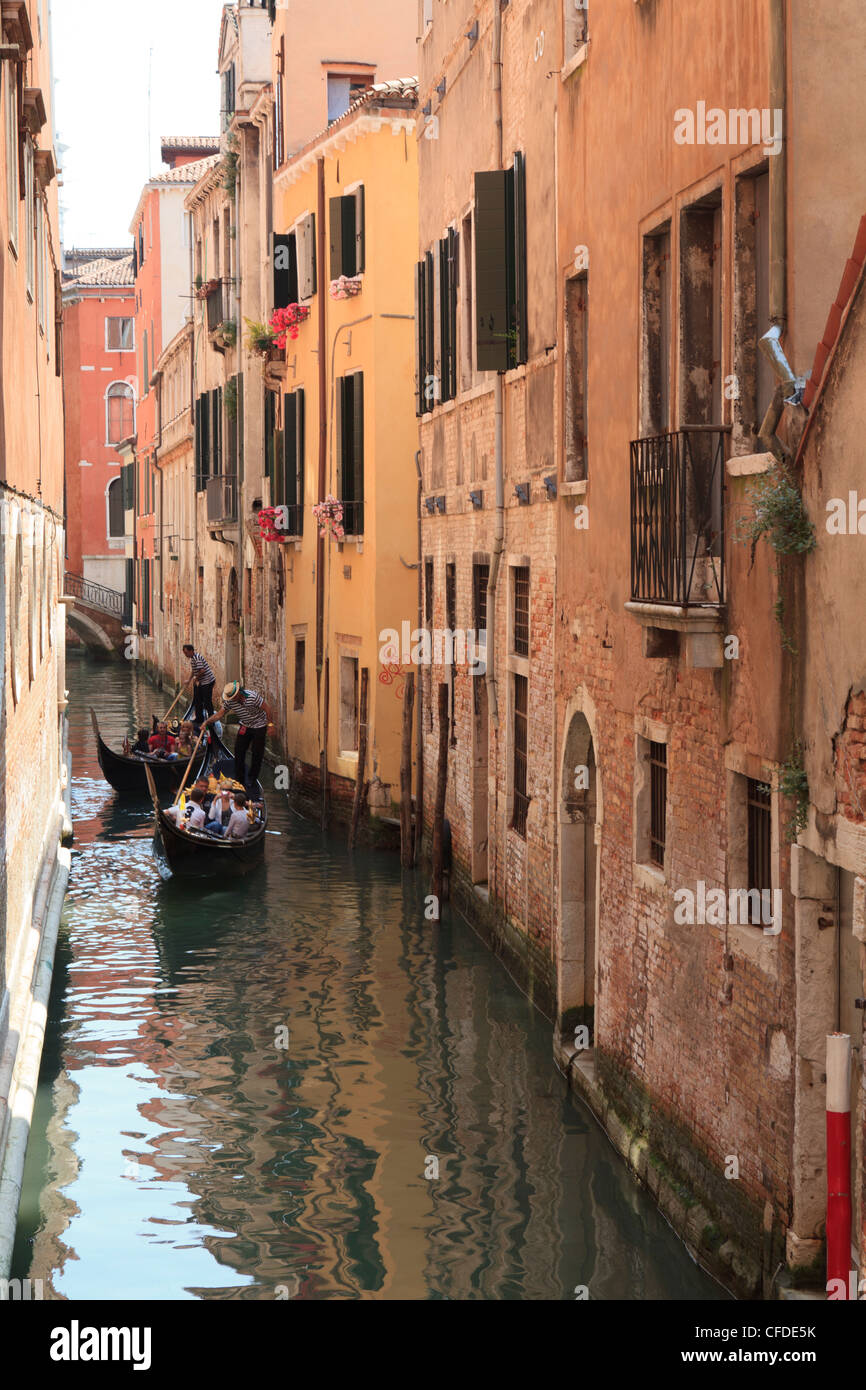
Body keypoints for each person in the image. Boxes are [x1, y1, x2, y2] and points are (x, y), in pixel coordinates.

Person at [204, 682, 273, 791]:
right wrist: (206, 722)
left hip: (259, 726)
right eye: (230, 698)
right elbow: (219, 714)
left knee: (257, 753)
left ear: (238, 693)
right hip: (245, 725)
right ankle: (239, 779)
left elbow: (267, 708)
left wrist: (270, 725)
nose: (231, 699)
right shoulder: (230, 702)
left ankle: (252, 778)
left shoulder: (252, 697)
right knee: (238, 750)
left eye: (233, 697)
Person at [182, 645, 216, 727]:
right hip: (201, 682)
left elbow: (202, 671)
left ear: (191, 651)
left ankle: (212, 720)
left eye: (186, 652)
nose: (185, 654)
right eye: (184, 653)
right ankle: (199, 719)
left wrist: (196, 678)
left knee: (207, 701)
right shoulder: (193, 659)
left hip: (208, 681)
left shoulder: (197, 658)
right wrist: (189, 680)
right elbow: (194, 671)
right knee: (197, 699)